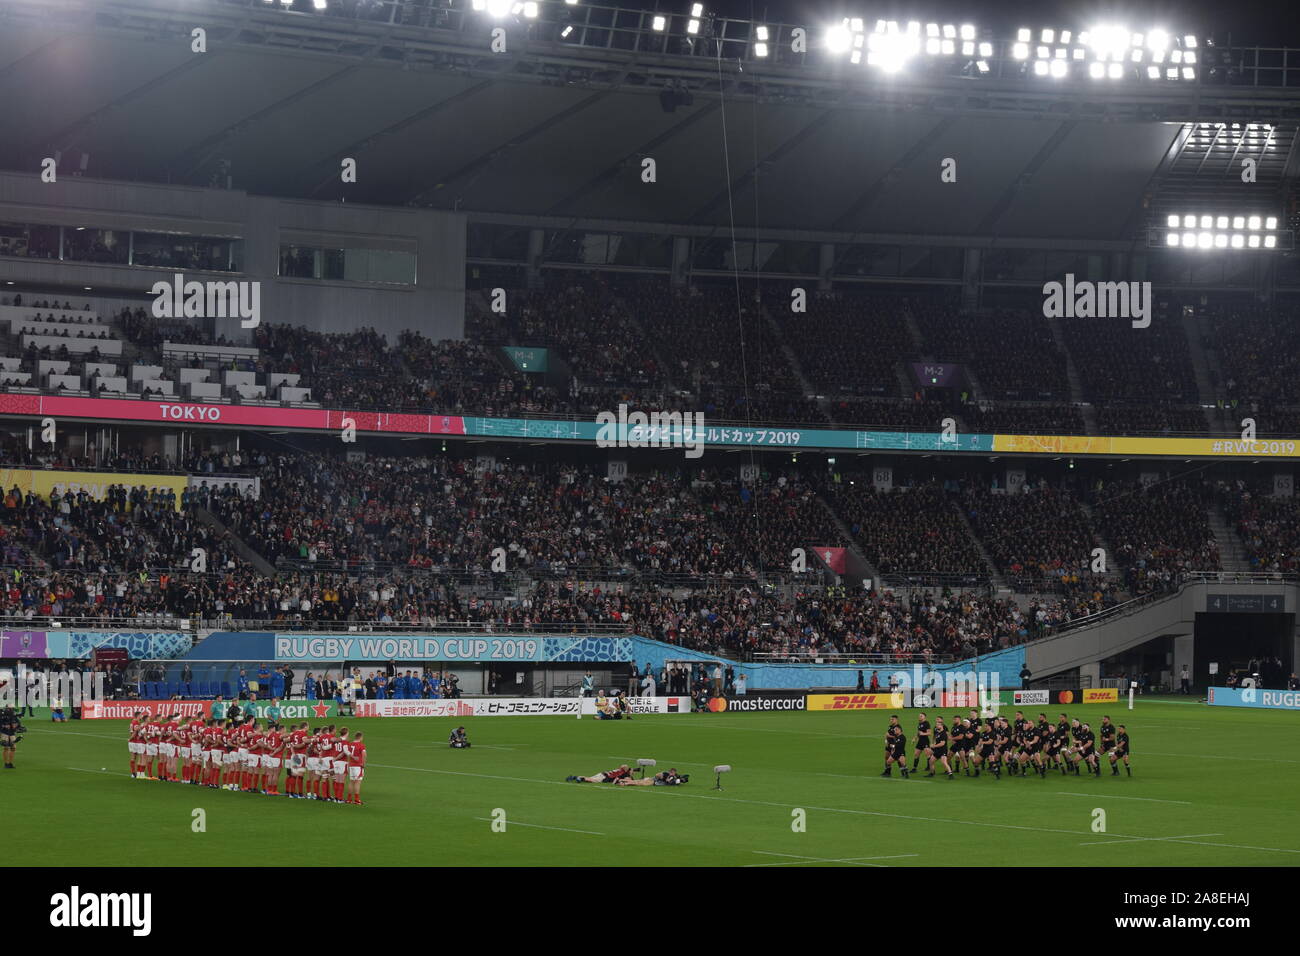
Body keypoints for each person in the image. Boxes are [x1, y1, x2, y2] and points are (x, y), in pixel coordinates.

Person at [616, 768, 688, 786]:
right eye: (671, 772)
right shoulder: (665, 773)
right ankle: (624, 783)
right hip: (653, 781)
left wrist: (680, 779)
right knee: (639, 783)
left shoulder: (674, 778)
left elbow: (672, 782)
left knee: (638, 782)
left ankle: (622, 781)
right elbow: (657, 774)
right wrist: (663, 777)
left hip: (652, 781)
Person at [566, 764, 631, 784]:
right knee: (592, 780)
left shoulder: (618, 770)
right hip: (604, 776)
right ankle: (580, 778)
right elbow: (617, 778)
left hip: (602, 774)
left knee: (590, 778)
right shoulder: (622, 772)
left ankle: (574, 777)